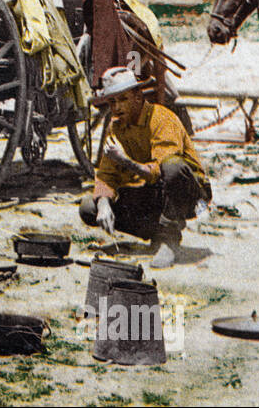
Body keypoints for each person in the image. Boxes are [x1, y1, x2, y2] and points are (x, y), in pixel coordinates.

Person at [78, 67, 211, 268]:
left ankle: (169, 241)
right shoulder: (116, 127)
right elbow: (107, 173)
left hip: (187, 193)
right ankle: (157, 235)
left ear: (138, 96)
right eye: (112, 101)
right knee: (89, 207)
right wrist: (104, 204)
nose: (116, 107)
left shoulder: (161, 118)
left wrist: (125, 161)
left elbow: (161, 171)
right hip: (151, 195)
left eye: (122, 99)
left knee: (172, 167)